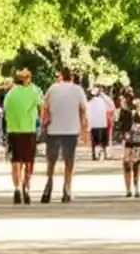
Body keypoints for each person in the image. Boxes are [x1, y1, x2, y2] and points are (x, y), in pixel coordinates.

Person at [41, 67, 89, 203]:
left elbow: (44, 107)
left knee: (51, 161)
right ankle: (67, 188)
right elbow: (83, 110)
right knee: (69, 161)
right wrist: (85, 129)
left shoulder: (52, 89)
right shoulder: (78, 90)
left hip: (53, 129)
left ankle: (48, 185)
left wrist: (45, 123)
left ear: (61, 76)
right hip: (71, 129)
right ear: (72, 77)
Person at [3, 68, 43, 204]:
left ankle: (17, 189)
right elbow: (41, 107)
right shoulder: (34, 90)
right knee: (28, 162)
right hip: (29, 131)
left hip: (14, 131)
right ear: (29, 78)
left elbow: (5, 110)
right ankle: (26, 187)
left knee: (16, 162)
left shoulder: (11, 94)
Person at [123, 101, 140, 197]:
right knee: (136, 166)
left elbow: (121, 128)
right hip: (137, 141)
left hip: (128, 142)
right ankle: (136, 189)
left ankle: (129, 190)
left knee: (127, 165)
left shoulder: (125, 112)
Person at [87, 88, 112, 161]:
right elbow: (111, 106)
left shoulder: (89, 103)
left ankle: (94, 154)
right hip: (102, 124)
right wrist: (104, 95)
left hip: (93, 125)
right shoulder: (103, 101)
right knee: (103, 141)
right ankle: (104, 154)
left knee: (93, 141)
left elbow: (87, 114)